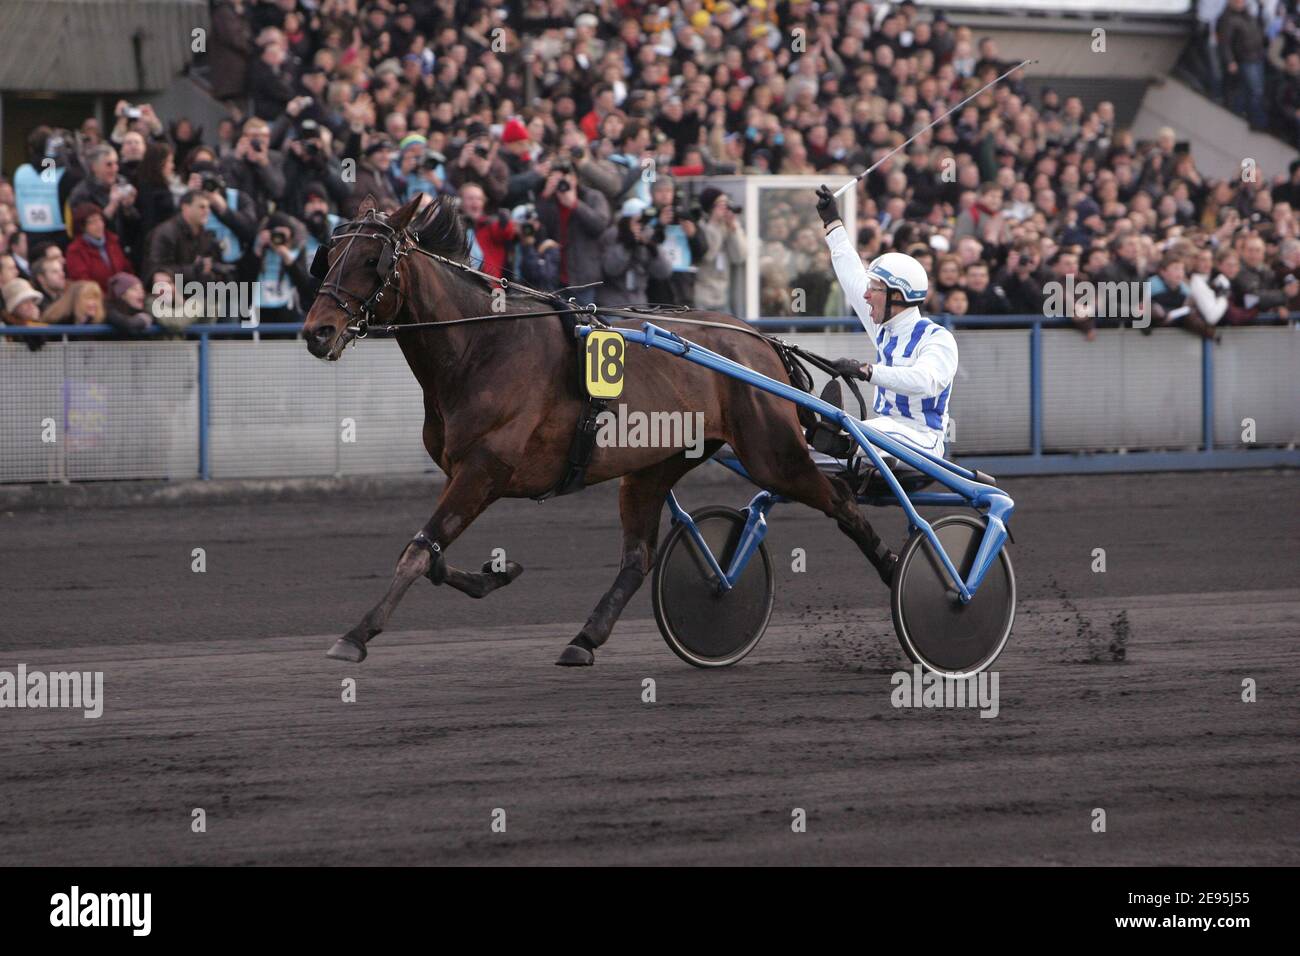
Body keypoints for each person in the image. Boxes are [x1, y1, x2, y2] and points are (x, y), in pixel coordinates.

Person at [815, 184, 958, 461]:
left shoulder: (937, 338)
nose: (866, 295)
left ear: (898, 296)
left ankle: (838, 440)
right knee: (832, 440)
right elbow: (849, 272)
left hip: (923, 439)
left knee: (854, 435)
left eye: (875, 289)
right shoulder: (884, 328)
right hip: (885, 431)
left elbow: (925, 381)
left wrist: (867, 371)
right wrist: (832, 223)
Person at [598, 198, 672, 308]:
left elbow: (664, 272)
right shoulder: (612, 235)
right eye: (637, 220)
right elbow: (611, 269)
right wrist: (627, 245)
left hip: (639, 303)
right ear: (626, 220)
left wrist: (652, 248)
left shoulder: (647, 233)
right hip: (612, 303)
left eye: (644, 220)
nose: (640, 225)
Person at [65, 204, 133, 293]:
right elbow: (82, 281)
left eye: (100, 220)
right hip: (96, 297)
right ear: (83, 227)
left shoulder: (112, 241)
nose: (99, 225)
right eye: (92, 222)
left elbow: (126, 268)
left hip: (121, 296)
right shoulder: (75, 250)